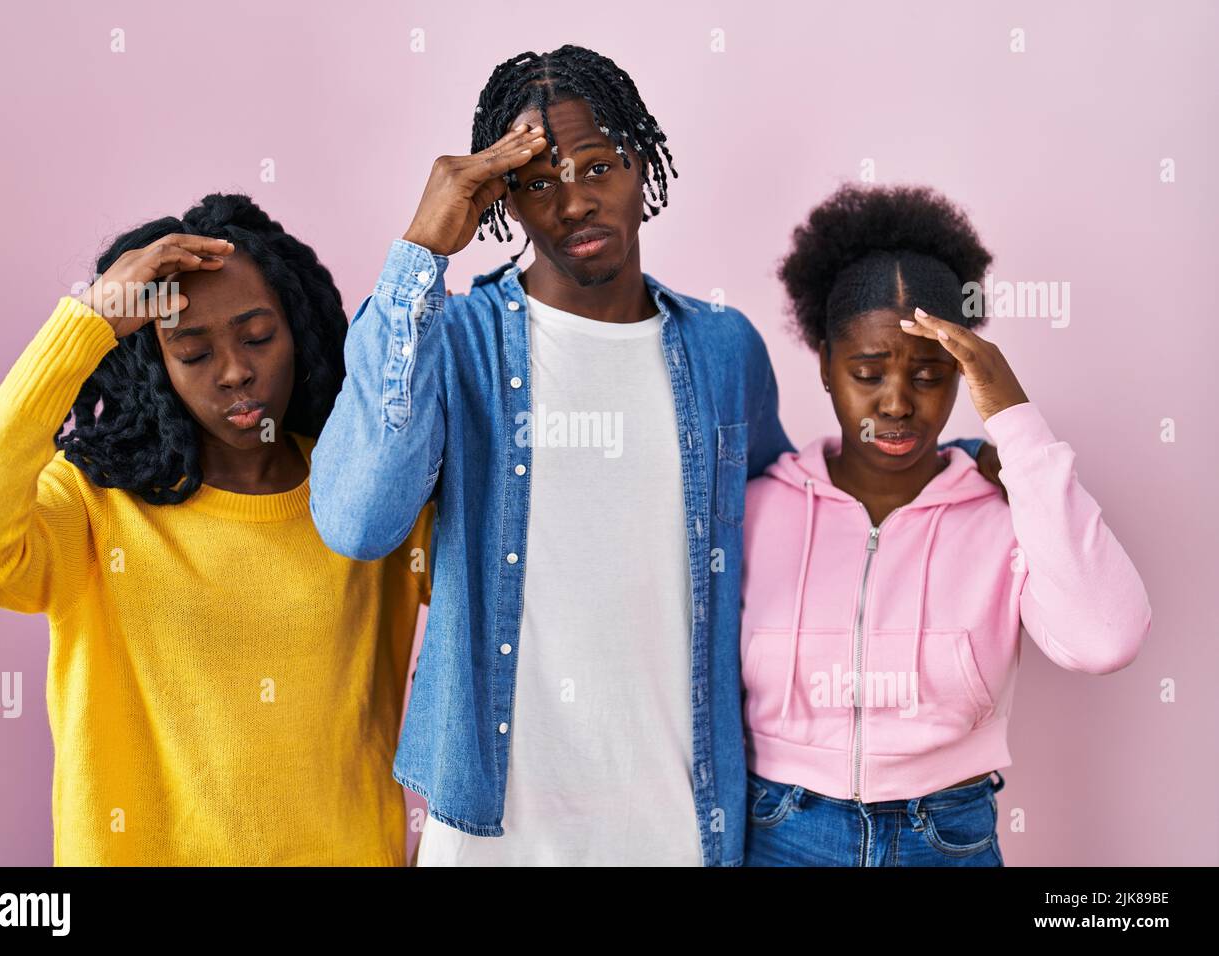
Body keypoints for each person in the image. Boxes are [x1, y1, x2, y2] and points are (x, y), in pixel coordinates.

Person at [312, 46, 994, 866]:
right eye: (537, 183)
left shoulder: (721, 349)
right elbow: (357, 520)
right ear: (504, 203)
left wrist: (953, 466)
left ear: (643, 164)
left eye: (599, 165)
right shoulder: (452, 338)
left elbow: (791, 517)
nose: (574, 202)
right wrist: (422, 250)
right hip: (497, 822)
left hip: (680, 818)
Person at [0, 194, 432, 865]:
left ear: (298, 331)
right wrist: (89, 322)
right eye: (192, 352)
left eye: (258, 337)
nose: (235, 371)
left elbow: (508, 611)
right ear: (156, 367)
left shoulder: (361, 490)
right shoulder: (94, 504)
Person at [739, 184, 1151, 866]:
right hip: (781, 831)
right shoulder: (758, 507)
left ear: (965, 376)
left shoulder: (1008, 510)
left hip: (946, 838)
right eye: (867, 372)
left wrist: (1016, 423)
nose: (897, 402)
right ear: (825, 366)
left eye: (931, 375)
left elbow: (1105, 640)